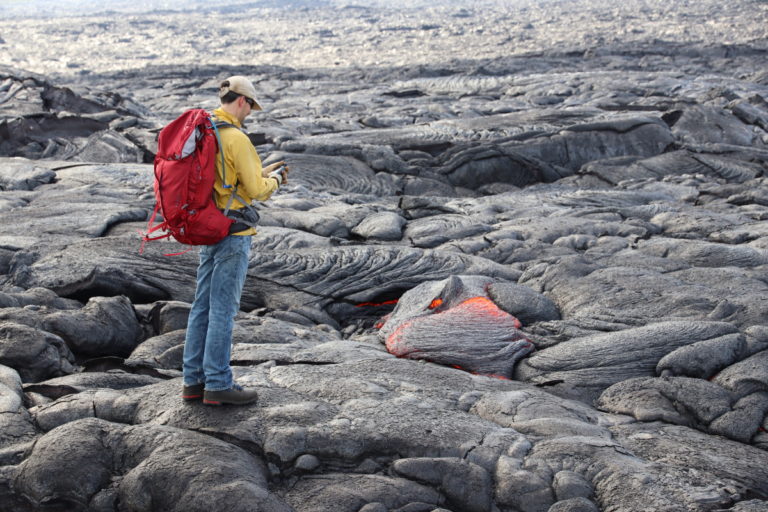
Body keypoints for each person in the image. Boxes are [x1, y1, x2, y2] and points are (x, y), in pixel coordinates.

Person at [181, 76, 288, 406]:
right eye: (251, 107)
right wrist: (276, 181)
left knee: (202, 306)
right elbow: (256, 190)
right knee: (223, 310)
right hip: (234, 231)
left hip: (209, 225)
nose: (250, 113)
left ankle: (193, 382)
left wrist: (260, 174)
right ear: (242, 101)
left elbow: (226, 179)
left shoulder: (206, 131)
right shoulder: (236, 138)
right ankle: (218, 383)